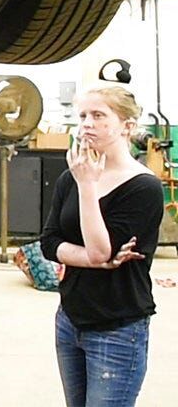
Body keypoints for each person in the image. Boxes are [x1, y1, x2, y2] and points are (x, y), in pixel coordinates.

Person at [40, 86, 163, 407]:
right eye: (82, 116)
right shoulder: (72, 177)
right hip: (70, 319)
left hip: (117, 327)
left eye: (98, 115)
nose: (87, 124)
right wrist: (94, 261)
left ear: (127, 126)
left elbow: (99, 250)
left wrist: (88, 187)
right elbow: (49, 242)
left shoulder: (143, 187)